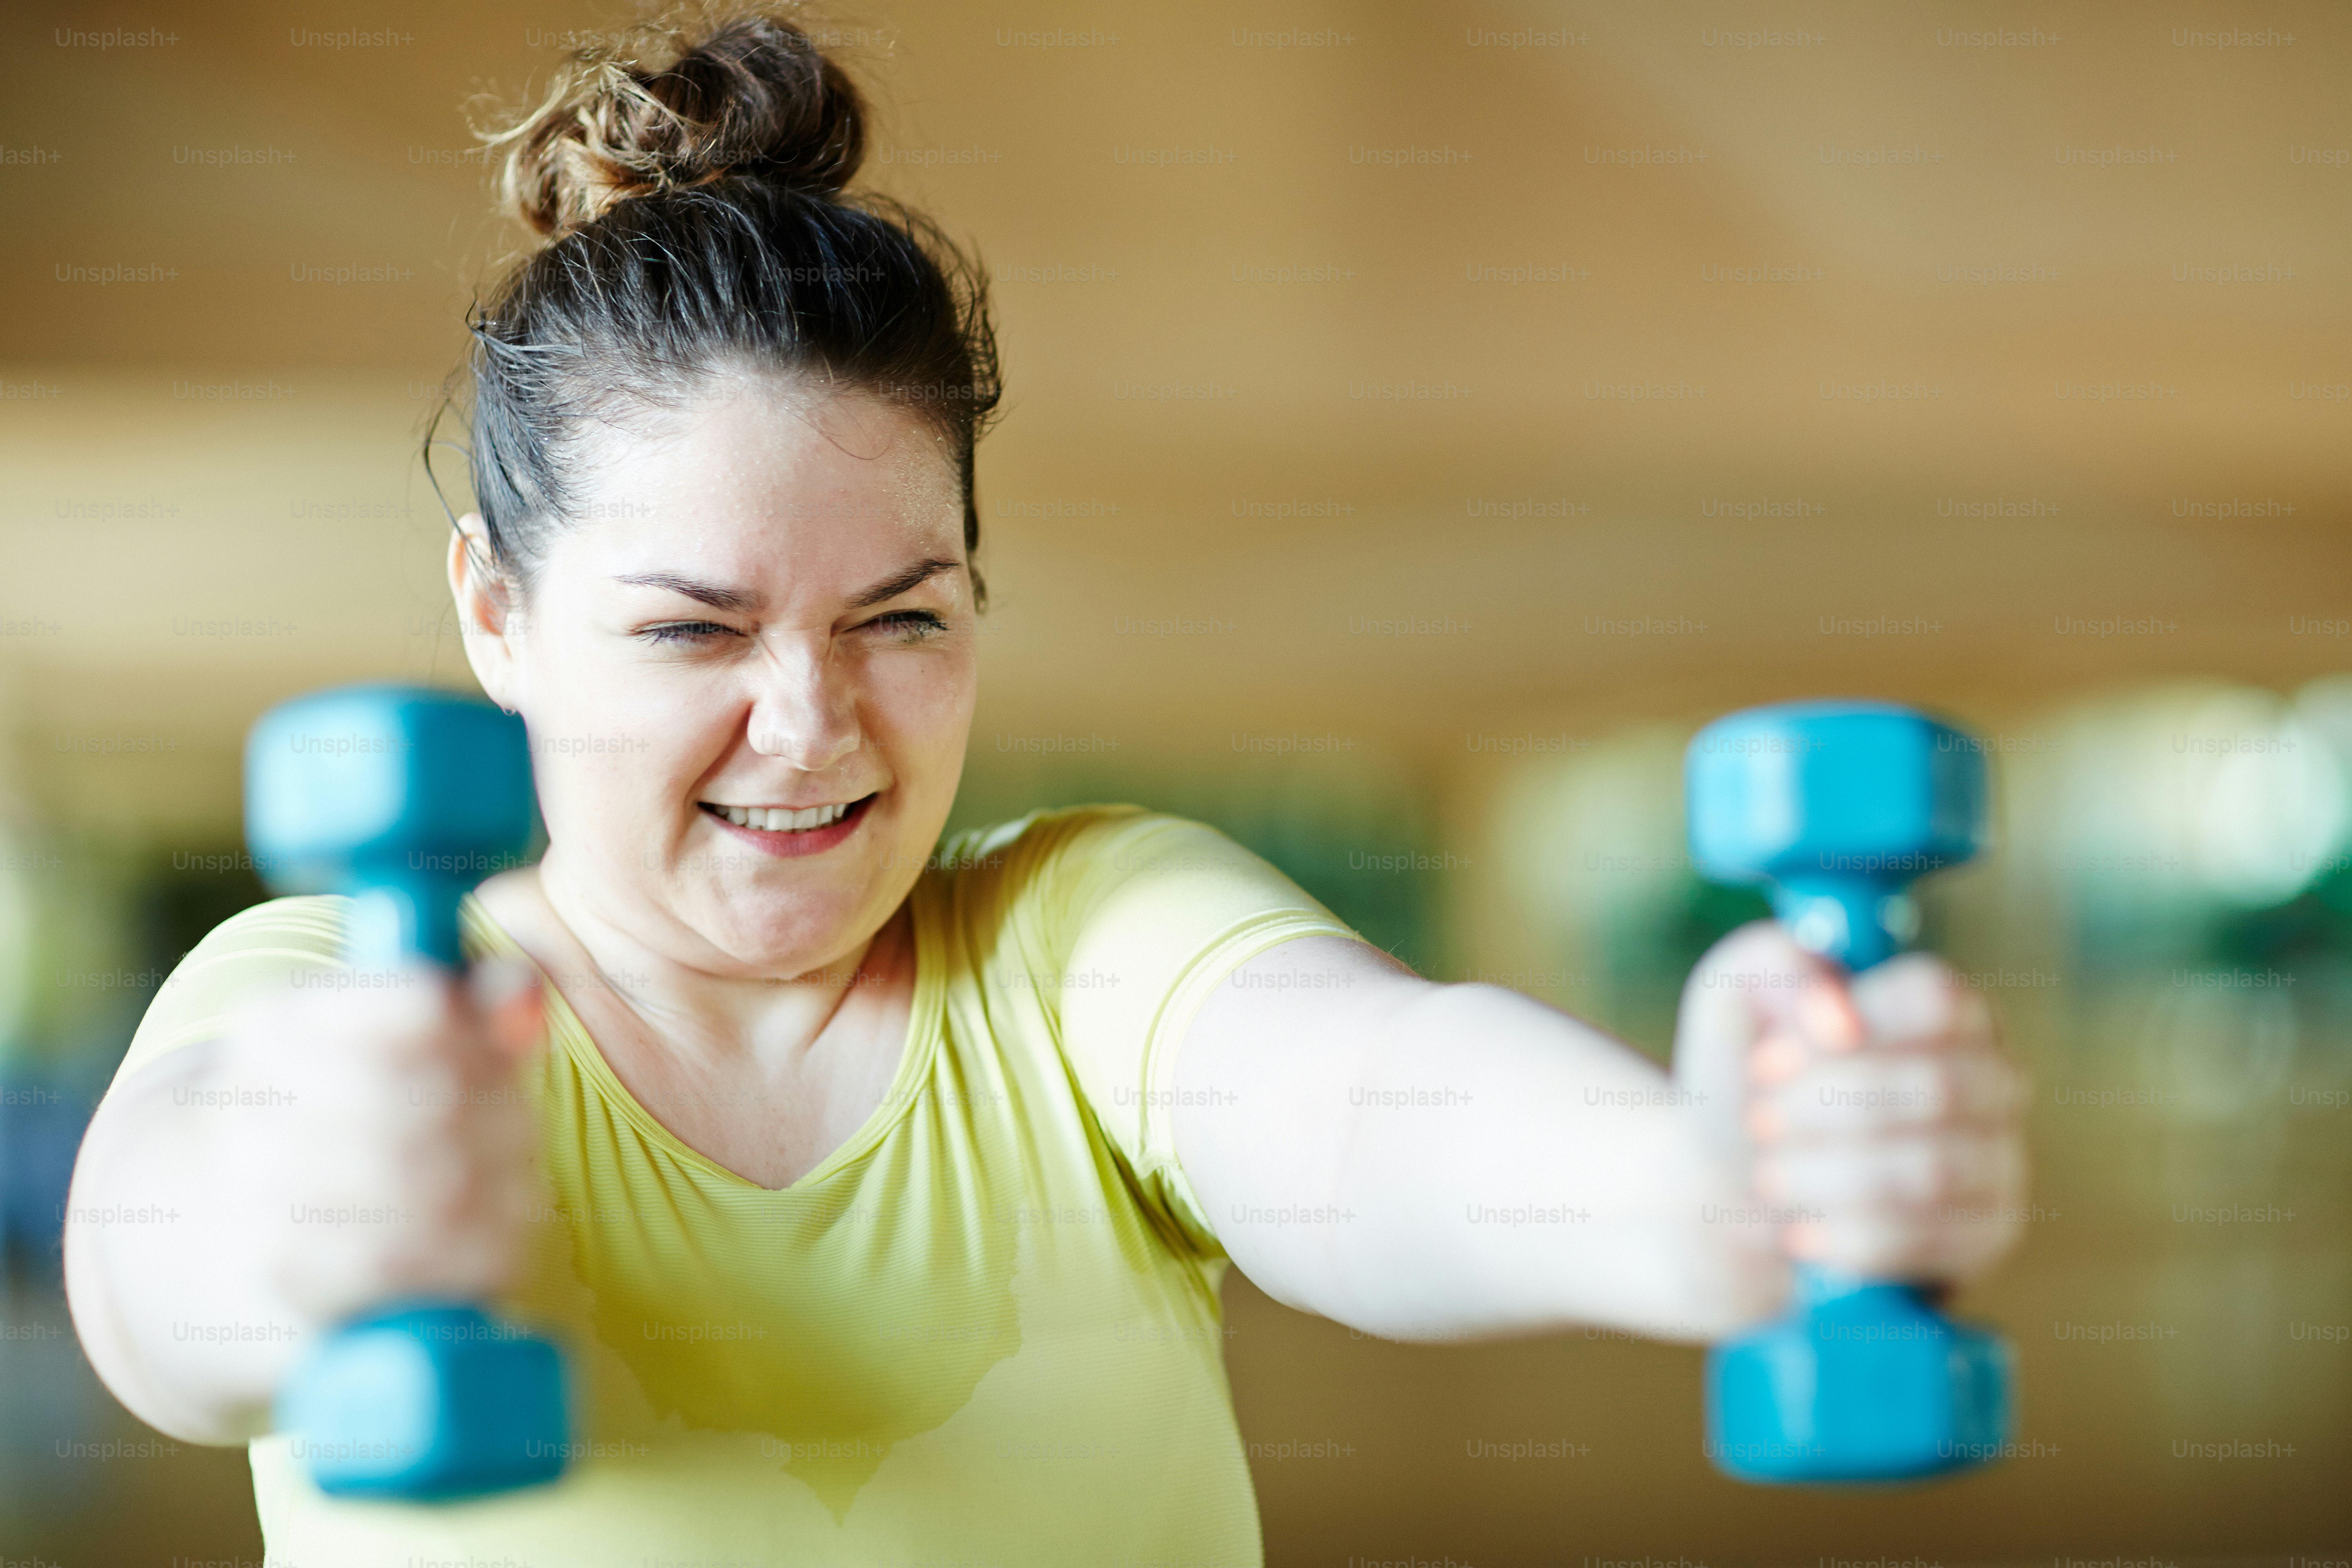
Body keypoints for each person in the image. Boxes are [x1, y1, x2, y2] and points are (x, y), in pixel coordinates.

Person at [62, 10, 2027, 1565]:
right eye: (694, 633)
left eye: (900, 620)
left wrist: (1707, 1188)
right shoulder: (330, 998)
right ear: (495, 613)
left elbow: (1366, 1106)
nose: (815, 726)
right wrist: (311, 1212)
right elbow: (161, 1287)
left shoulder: (1081, 944)